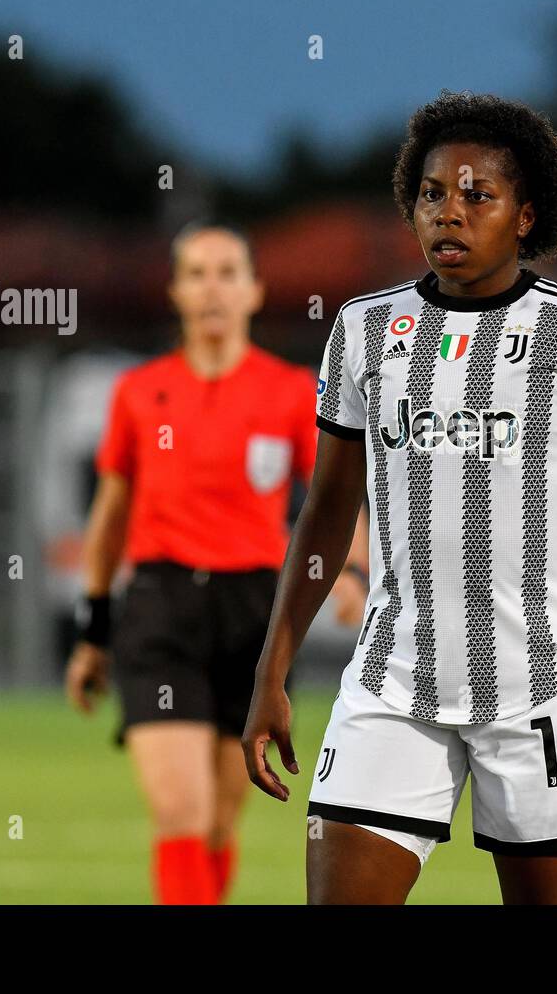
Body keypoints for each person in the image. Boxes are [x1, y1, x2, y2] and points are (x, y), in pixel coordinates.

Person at [242, 90, 557, 905]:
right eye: (431, 194)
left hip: (543, 690)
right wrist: (271, 671)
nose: (448, 213)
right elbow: (324, 513)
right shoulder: (363, 329)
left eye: (475, 196)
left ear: (525, 216)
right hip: (391, 685)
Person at [65, 221, 368, 904]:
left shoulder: (291, 392)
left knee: (220, 822)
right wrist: (93, 627)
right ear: (174, 290)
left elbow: (334, 499)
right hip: (160, 614)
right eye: (196, 273)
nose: (212, 288)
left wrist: (352, 573)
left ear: (255, 290)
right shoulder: (139, 393)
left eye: (228, 272)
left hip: (255, 620)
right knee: (182, 811)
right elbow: (110, 516)